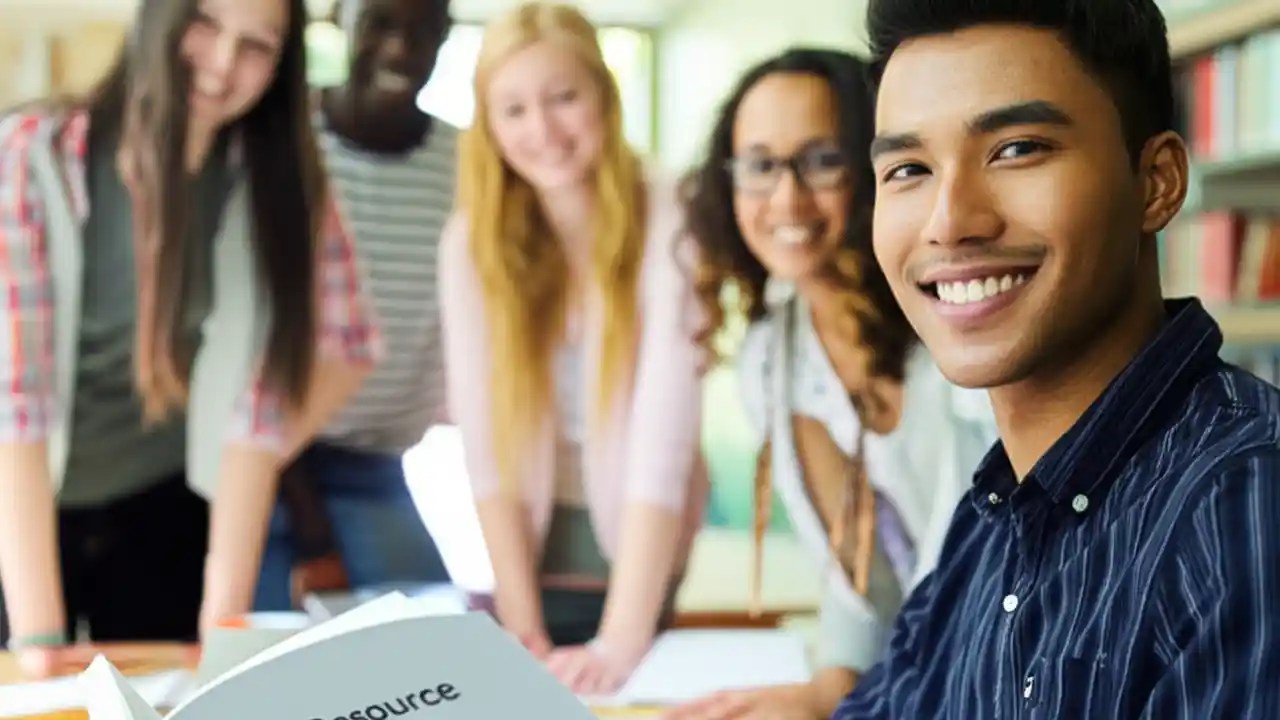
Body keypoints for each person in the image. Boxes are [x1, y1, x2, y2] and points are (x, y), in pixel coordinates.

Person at [832, 0, 1280, 717]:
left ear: (1157, 182)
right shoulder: (993, 515)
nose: (951, 221)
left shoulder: (1245, 509)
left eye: (1017, 149)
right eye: (910, 168)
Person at [0, 0, 378, 678]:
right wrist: (39, 638)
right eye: (206, 24)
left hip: (157, 497)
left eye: (257, 45)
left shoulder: (277, 187)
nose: (225, 64)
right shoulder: (32, 155)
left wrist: (222, 624)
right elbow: (13, 405)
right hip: (19, 502)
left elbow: (281, 396)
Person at [665, 48, 997, 720]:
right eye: (760, 166)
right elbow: (861, 576)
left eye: (821, 160)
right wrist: (830, 689)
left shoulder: (964, 307)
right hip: (918, 690)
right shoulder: (772, 356)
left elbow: (1003, 569)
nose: (787, 198)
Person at [439, 1, 708, 696]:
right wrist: (519, 627)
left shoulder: (670, 215)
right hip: (527, 532)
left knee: (624, 688)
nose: (544, 131)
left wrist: (621, 638)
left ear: (605, 97)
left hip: (643, 527)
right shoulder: (472, 244)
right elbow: (486, 443)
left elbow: (663, 439)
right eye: (515, 109)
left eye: (564, 98)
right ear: (488, 124)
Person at [252, 0, 457, 611]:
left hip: (379, 462)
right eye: (379, 25)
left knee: (427, 645)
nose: (400, 48)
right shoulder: (282, 141)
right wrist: (305, 515)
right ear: (338, 22)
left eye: (424, 30)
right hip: (267, 463)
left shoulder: (466, 163)